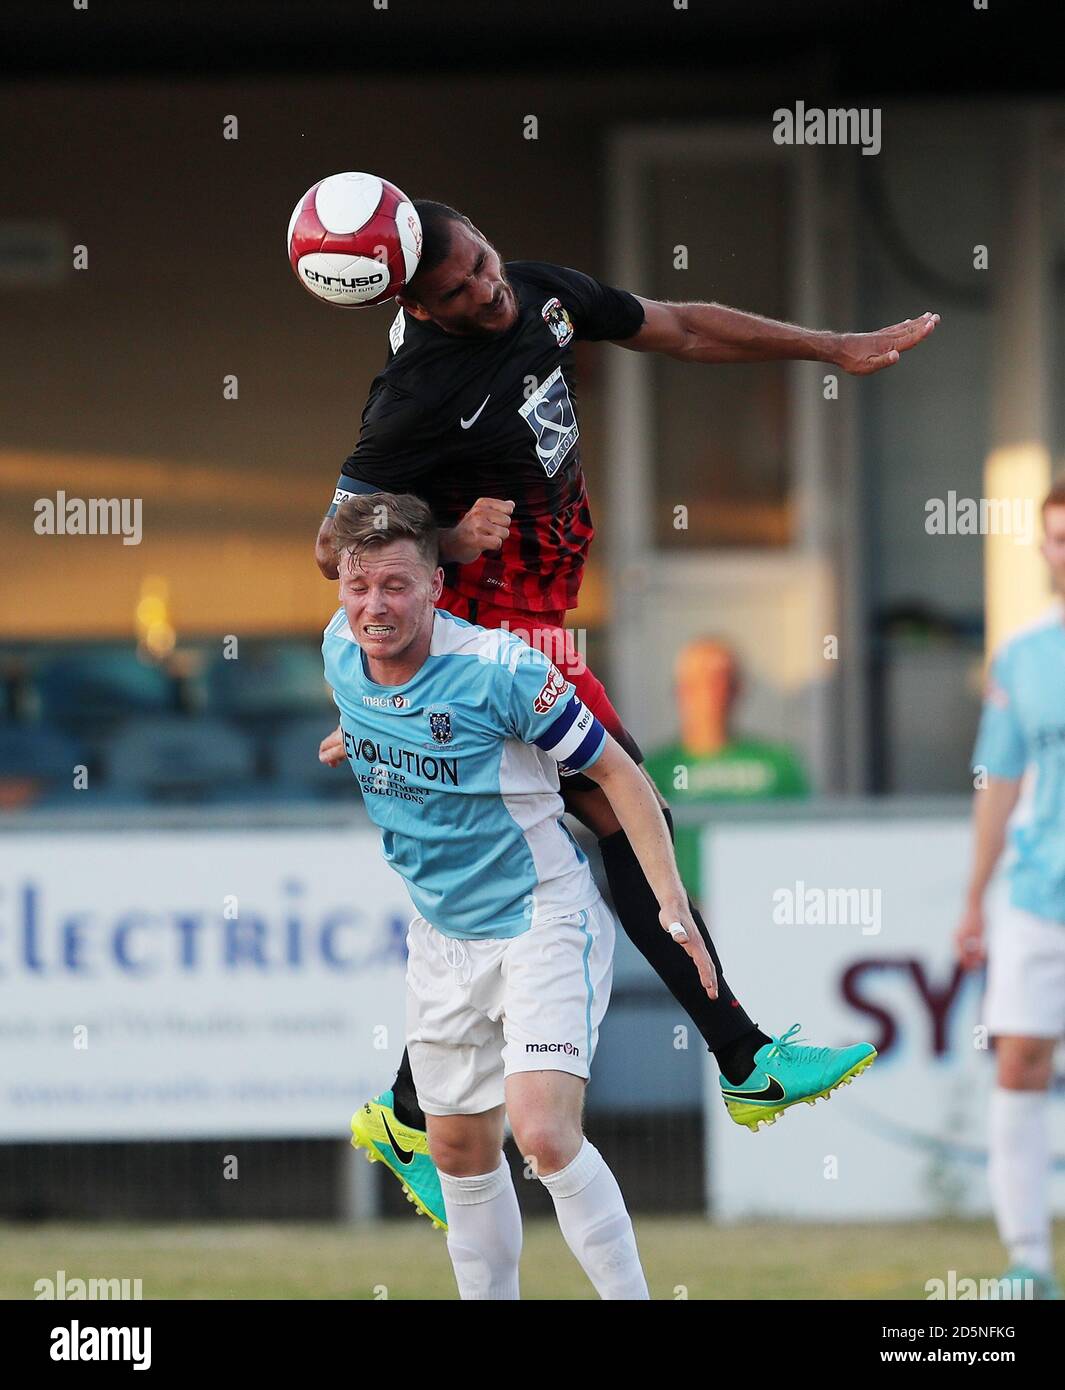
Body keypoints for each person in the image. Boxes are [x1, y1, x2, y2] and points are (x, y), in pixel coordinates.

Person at [317, 200, 896, 1226]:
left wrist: (830, 348)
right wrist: (446, 544)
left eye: (485, 265)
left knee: (536, 871)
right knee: (631, 818)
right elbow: (339, 544)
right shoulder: (416, 392)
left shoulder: (537, 291)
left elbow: (676, 326)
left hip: (540, 613)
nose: (486, 290)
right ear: (415, 303)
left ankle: (407, 1112)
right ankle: (745, 1055)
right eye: (455, 292)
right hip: (492, 628)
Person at [323, 492, 721, 1299]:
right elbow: (378, 713)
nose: (375, 605)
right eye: (359, 586)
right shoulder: (338, 650)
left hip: (542, 915)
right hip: (442, 937)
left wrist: (669, 897)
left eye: (396, 585)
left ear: (437, 583)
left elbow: (615, 770)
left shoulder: (501, 670)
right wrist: (351, 737)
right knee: (459, 1155)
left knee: (541, 1134)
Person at [954, 477, 1065, 1301]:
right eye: (1055, 536)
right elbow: (998, 782)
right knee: (1020, 1060)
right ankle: (1026, 1260)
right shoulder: (1023, 656)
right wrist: (972, 897)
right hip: (1037, 894)